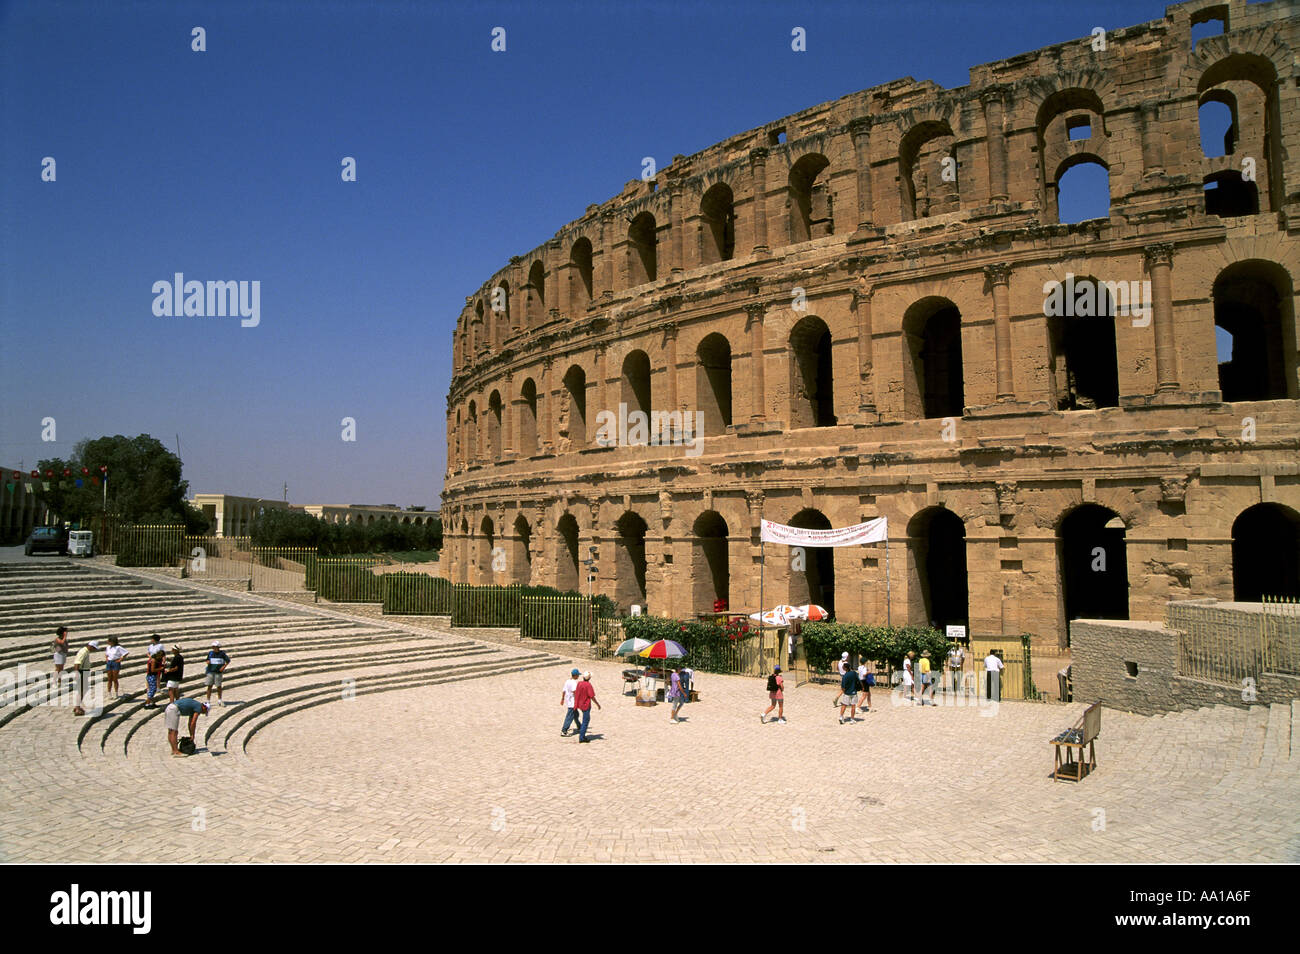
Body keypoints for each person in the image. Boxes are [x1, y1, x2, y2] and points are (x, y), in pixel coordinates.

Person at [70, 640, 104, 716]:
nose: (94, 650)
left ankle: (77, 706)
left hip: (83, 672)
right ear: (91, 646)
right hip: (81, 672)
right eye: (94, 648)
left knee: (83, 690)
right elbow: (77, 663)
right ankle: (77, 707)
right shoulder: (83, 652)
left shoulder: (86, 651)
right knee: (81, 690)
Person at [573, 671, 600, 743]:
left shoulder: (579, 683)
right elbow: (592, 696)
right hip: (586, 705)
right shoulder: (588, 685)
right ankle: (582, 737)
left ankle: (582, 735)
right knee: (585, 720)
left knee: (585, 720)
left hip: (580, 704)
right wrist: (597, 704)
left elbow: (577, 693)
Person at [204, 640, 231, 705]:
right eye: (213, 647)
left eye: (215, 647)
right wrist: (207, 662)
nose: (213, 648)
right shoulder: (210, 653)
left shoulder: (222, 654)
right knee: (209, 686)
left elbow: (228, 660)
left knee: (218, 686)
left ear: (218, 647)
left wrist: (223, 667)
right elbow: (207, 660)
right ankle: (208, 700)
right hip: (210, 671)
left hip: (218, 672)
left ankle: (219, 699)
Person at [560, 668, 582, 736]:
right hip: (572, 702)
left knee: (576, 715)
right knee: (570, 716)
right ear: (575, 675)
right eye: (578, 675)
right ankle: (564, 730)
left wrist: (562, 699)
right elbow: (575, 692)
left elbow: (564, 691)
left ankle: (580, 726)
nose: (578, 676)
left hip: (568, 701)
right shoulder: (573, 683)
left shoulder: (567, 681)